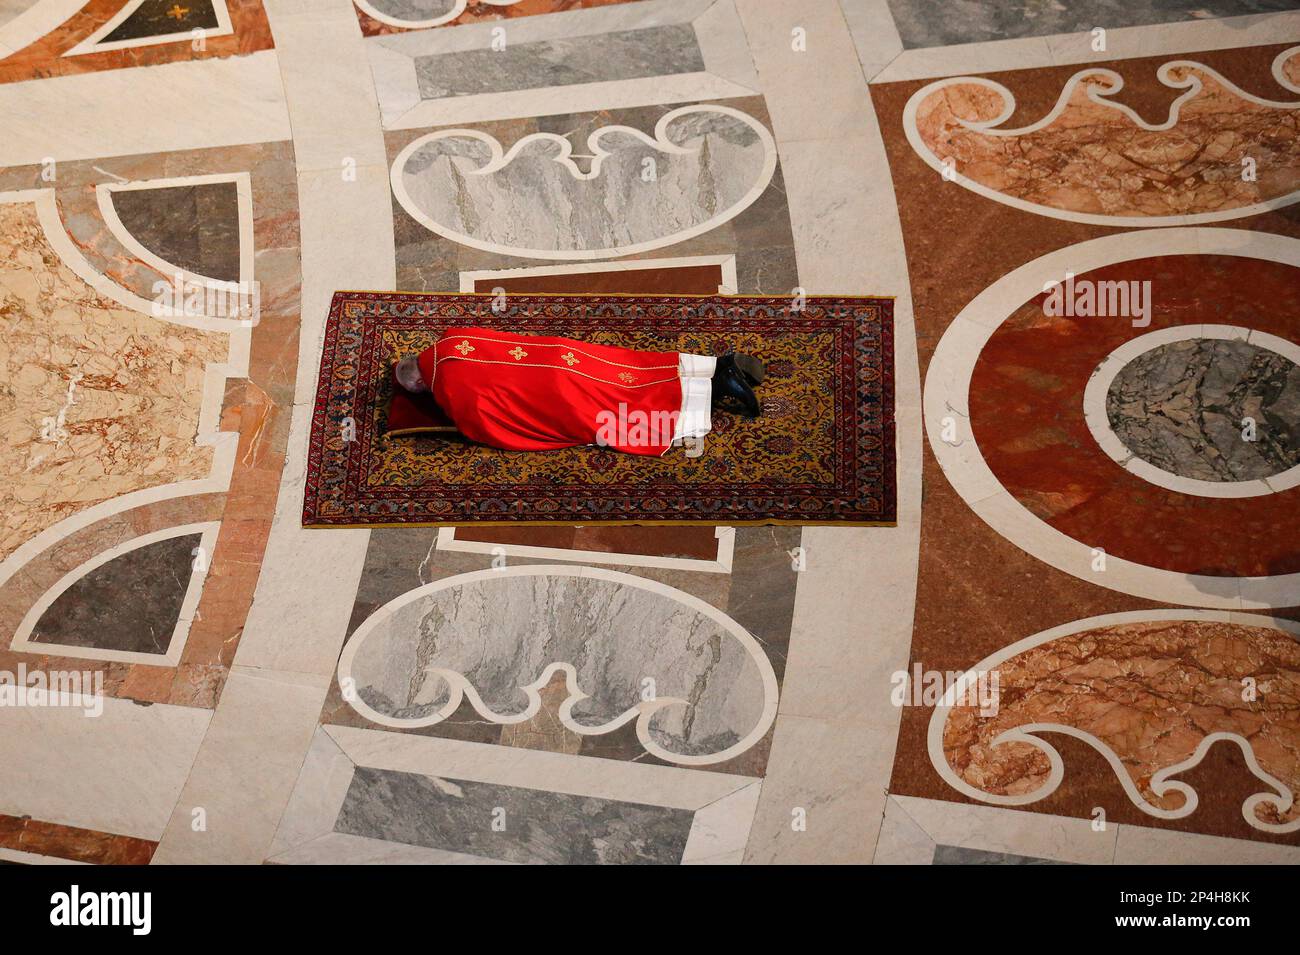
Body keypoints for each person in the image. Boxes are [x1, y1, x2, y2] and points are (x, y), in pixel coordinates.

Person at [392, 327, 764, 457]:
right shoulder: (453, 338)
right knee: (629, 368)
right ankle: (714, 365)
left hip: (556, 392)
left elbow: (487, 429)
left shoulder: (450, 391)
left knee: (617, 411)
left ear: (421, 384)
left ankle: (713, 390)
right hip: (560, 355)